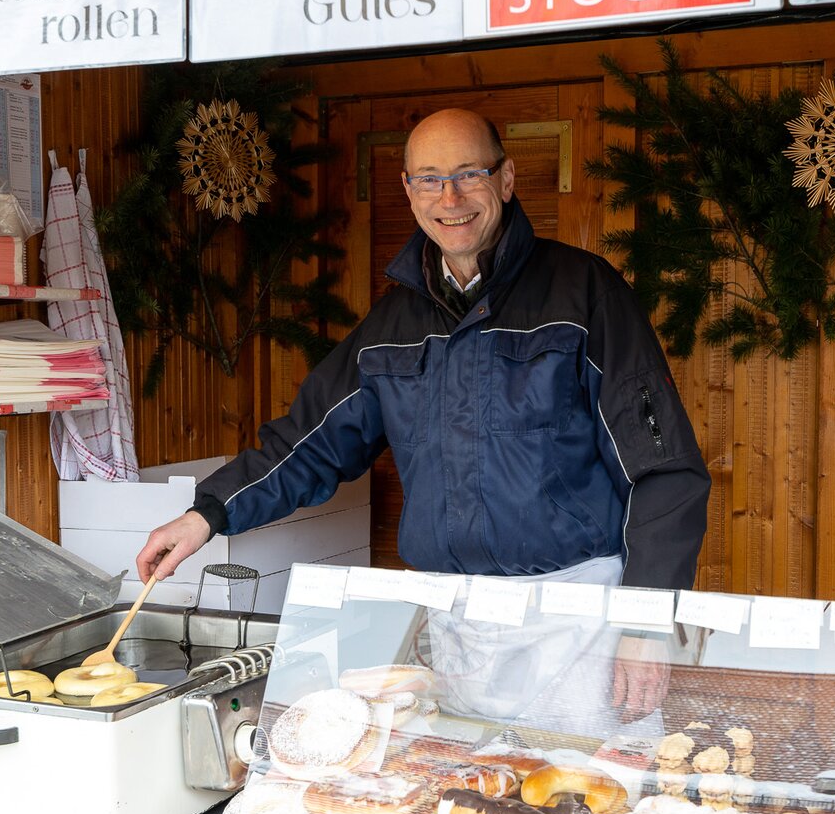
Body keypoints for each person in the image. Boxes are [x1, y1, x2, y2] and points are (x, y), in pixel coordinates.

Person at [136, 108, 710, 726]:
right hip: (458, 626)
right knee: (467, 805)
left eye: (469, 174)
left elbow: (663, 471)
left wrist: (646, 621)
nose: (451, 197)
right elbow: (309, 442)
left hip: (584, 627)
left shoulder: (584, 295)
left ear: (507, 179)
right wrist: (207, 514)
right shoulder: (394, 327)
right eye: (430, 178)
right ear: (408, 192)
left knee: (594, 805)